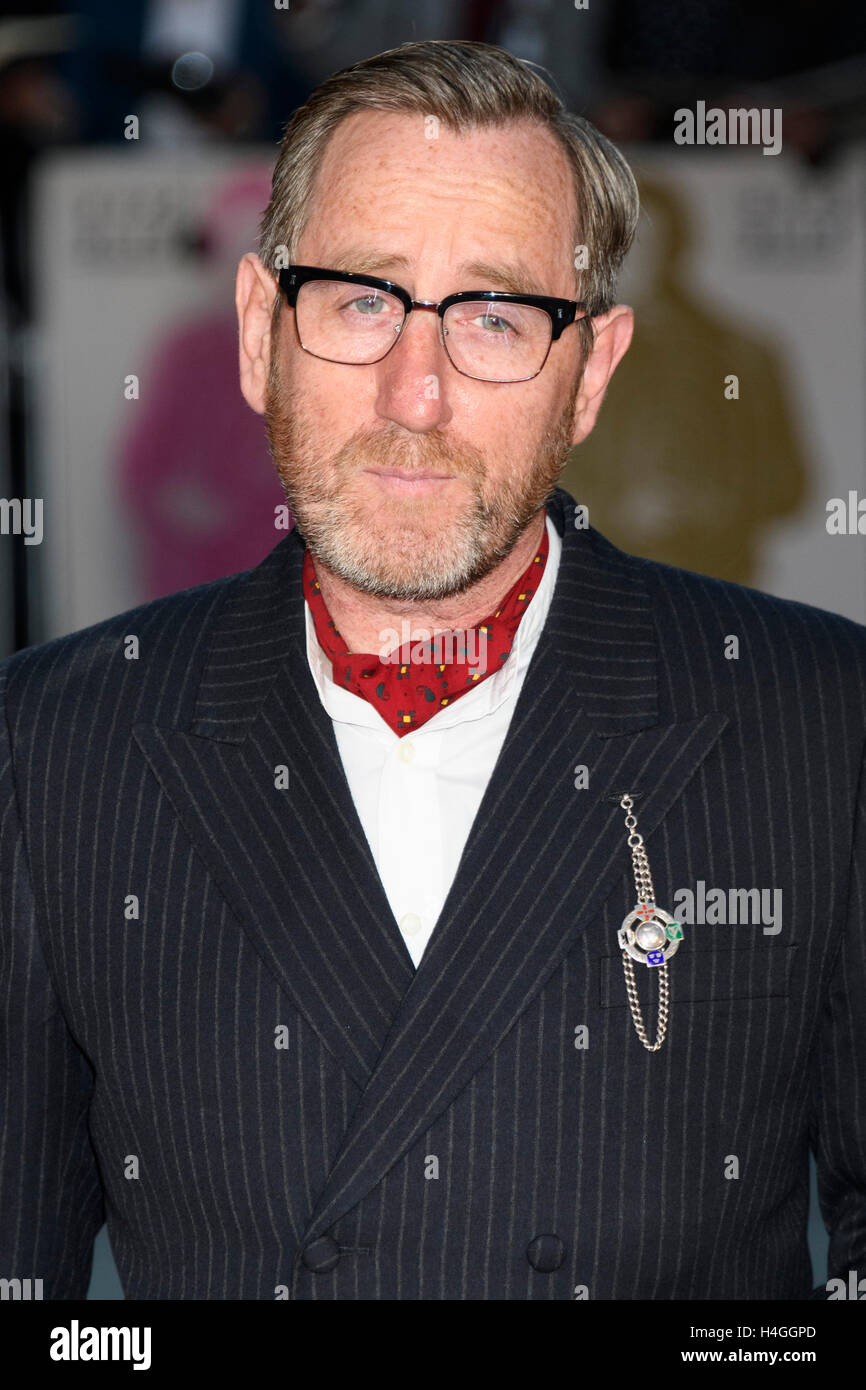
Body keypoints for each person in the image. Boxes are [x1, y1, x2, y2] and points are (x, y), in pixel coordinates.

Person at [1, 39, 864, 1302]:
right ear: (258, 331)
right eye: (361, 299)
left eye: (497, 316)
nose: (416, 392)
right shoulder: (51, 744)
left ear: (589, 376)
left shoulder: (817, 720)